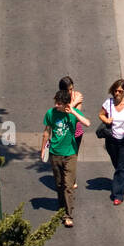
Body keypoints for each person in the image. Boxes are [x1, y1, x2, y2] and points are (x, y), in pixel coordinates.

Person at [41, 90, 87, 227]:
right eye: (55, 102)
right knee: (59, 184)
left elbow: (87, 123)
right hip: (55, 153)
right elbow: (46, 132)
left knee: (68, 185)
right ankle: (62, 207)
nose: (56, 105)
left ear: (66, 104)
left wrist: (73, 112)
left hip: (70, 154)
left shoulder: (72, 113)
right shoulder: (50, 113)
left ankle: (68, 215)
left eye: (59, 103)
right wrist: (43, 149)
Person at [99, 78, 124, 206]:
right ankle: (122, 180)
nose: (117, 93)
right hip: (112, 140)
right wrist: (106, 120)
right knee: (117, 164)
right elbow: (101, 114)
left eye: (120, 91)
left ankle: (118, 195)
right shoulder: (108, 103)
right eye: (115, 90)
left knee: (122, 167)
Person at [59, 76, 85, 191]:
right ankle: (64, 178)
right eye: (68, 89)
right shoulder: (60, 98)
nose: (70, 92)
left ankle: (71, 180)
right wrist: (74, 103)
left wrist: (70, 107)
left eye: (71, 89)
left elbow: (77, 113)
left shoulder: (77, 95)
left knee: (73, 157)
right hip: (63, 131)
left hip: (76, 132)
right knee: (62, 157)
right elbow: (62, 113)